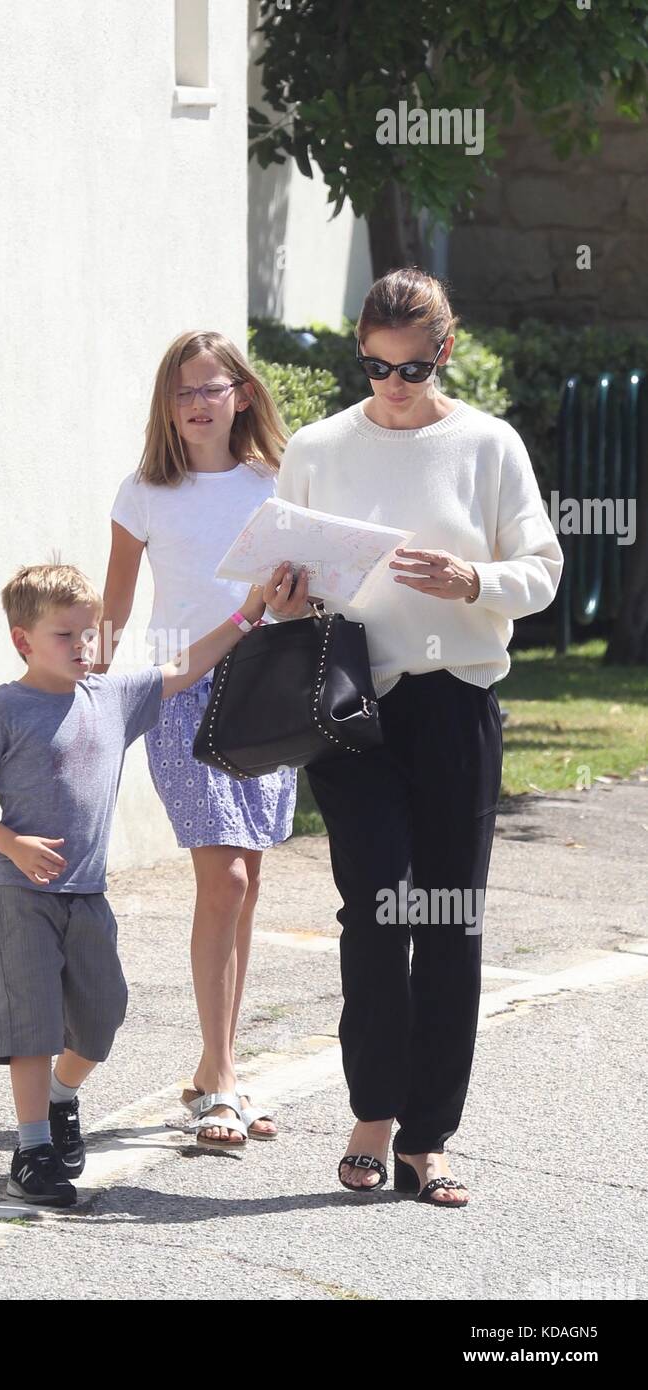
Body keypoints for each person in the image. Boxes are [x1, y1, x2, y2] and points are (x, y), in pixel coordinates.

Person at [275, 268, 563, 1205]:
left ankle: (428, 1135)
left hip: (455, 702)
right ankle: (371, 1113)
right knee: (376, 905)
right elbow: (285, 573)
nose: (391, 386)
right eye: (372, 366)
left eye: (408, 367)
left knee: (446, 915)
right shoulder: (318, 447)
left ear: (444, 349)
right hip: (351, 704)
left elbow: (544, 569)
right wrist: (281, 596)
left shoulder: (488, 444)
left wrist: (474, 582)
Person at [0, 557, 302, 1205]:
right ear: (23, 640)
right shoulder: (5, 707)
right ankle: (32, 1151)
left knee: (102, 1018)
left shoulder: (112, 699)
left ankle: (61, 1098)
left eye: (91, 635)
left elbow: (184, 668)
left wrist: (249, 612)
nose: (84, 647)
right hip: (18, 895)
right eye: (66, 636)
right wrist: (9, 842)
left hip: (87, 897)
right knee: (31, 1025)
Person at [97, 331, 298, 1153]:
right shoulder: (145, 491)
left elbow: (309, 591)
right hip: (181, 695)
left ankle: (221, 1066)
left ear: (242, 394)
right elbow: (110, 612)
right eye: (182, 392)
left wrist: (288, 597)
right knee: (223, 878)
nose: (196, 404)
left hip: (268, 696)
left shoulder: (278, 483)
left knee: (246, 881)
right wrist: (84, 701)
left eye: (211, 389)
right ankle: (218, 1082)